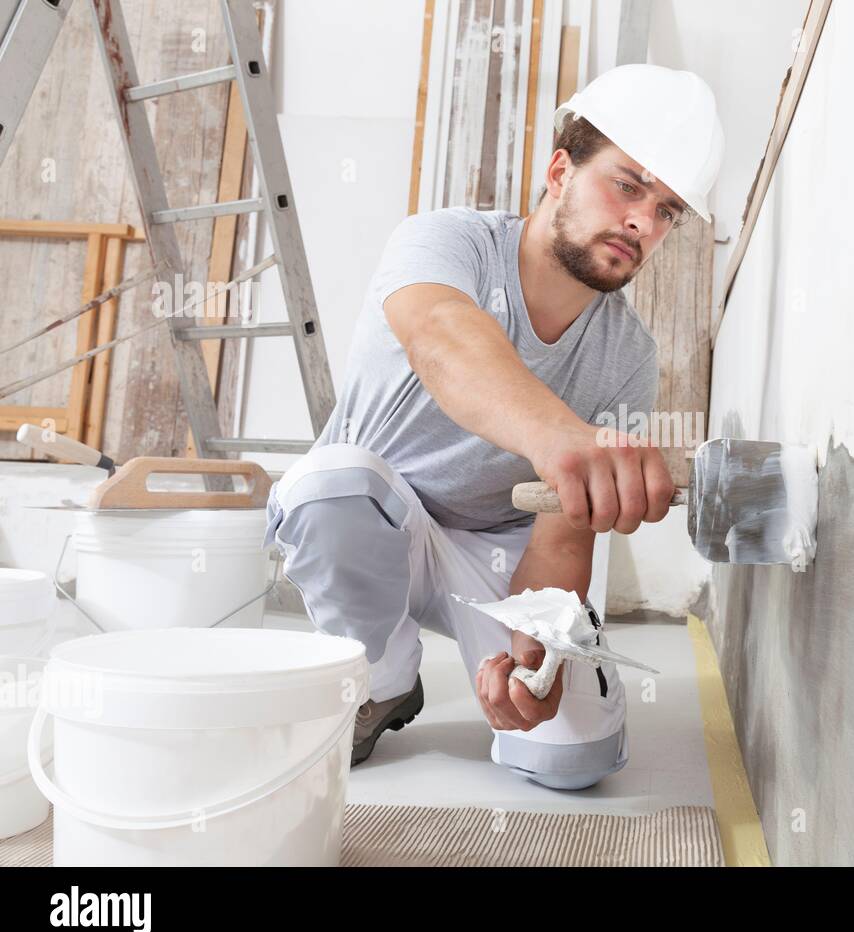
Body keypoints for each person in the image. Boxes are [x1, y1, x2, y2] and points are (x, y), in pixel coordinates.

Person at [263, 64, 726, 790]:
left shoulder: (628, 358)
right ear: (559, 171)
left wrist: (532, 661)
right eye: (628, 185)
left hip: (499, 562)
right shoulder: (446, 242)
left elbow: (563, 529)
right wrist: (563, 440)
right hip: (378, 524)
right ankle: (381, 679)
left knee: (573, 759)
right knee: (329, 483)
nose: (643, 222)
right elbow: (444, 336)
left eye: (667, 210)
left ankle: (536, 708)